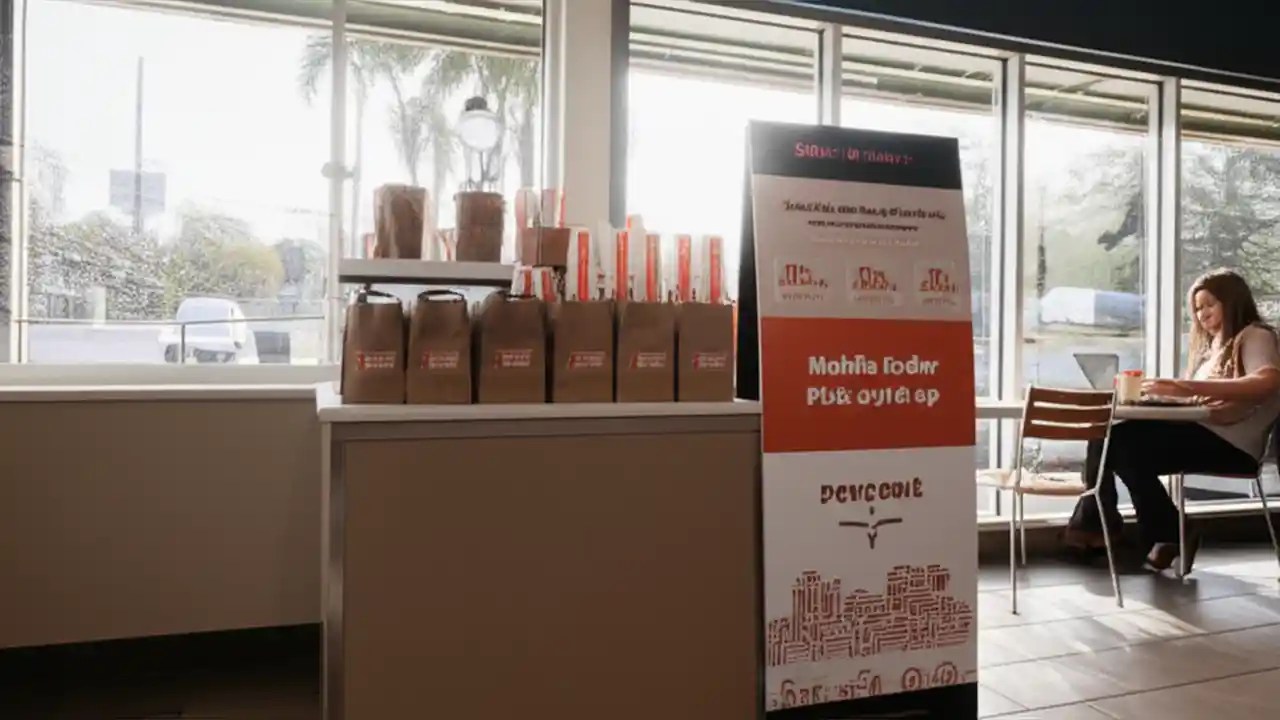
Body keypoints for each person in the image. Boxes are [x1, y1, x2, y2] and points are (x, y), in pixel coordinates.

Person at [1064, 268, 1280, 571]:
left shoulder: (1255, 335)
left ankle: (1104, 529)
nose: (1201, 313)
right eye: (1197, 309)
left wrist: (1186, 387)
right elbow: (1201, 399)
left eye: (1208, 304)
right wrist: (1166, 396)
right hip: (1204, 434)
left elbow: (1267, 380)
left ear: (1231, 302)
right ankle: (1152, 533)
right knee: (1111, 441)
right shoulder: (1213, 349)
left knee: (1116, 444)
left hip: (1232, 445)